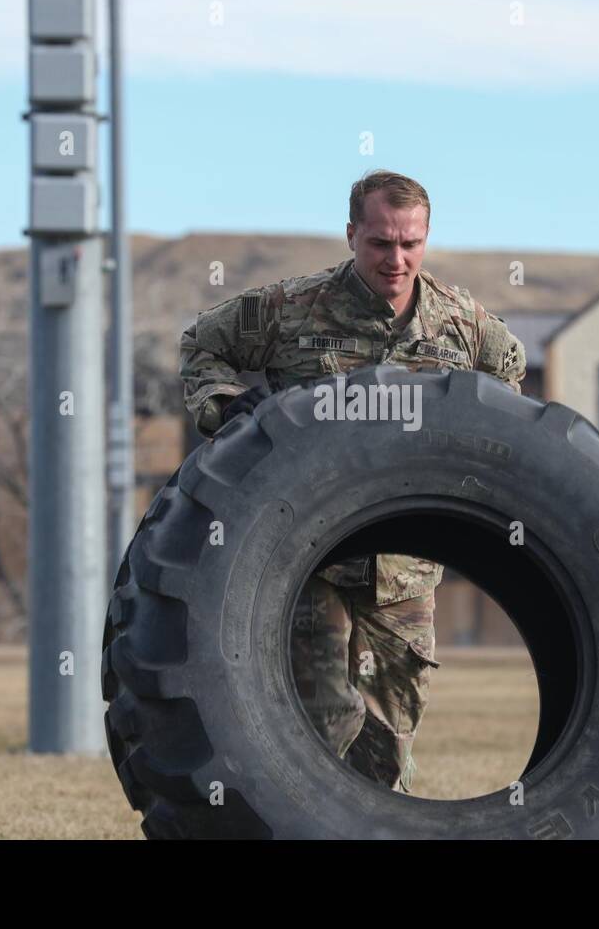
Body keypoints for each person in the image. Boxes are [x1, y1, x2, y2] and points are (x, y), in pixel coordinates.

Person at [180, 170, 526, 793]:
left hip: (407, 563)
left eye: (410, 243)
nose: (397, 259)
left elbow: (509, 383)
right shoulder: (290, 311)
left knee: (389, 746)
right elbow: (203, 347)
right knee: (325, 722)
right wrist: (233, 416)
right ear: (350, 235)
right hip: (310, 556)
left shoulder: (462, 323)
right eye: (380, 243)